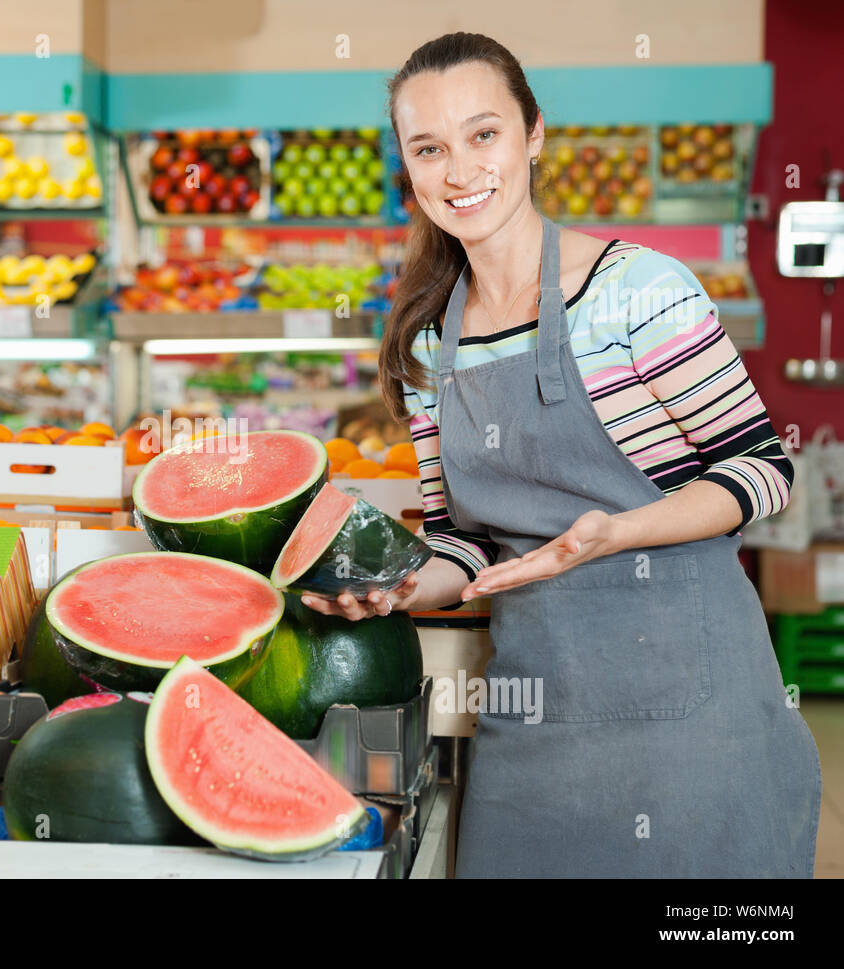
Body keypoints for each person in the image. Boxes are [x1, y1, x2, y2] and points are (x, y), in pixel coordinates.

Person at [301, 32, 821, 877]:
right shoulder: (432, 341)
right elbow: (459, 537)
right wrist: (397, 586)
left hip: (692, 712)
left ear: (533, 135)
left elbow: (764, 469)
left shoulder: (638, 291)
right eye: (429, 148)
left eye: (484, 135)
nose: (460, 171)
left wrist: (617, 533)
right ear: (407, 164)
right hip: (534, 712)